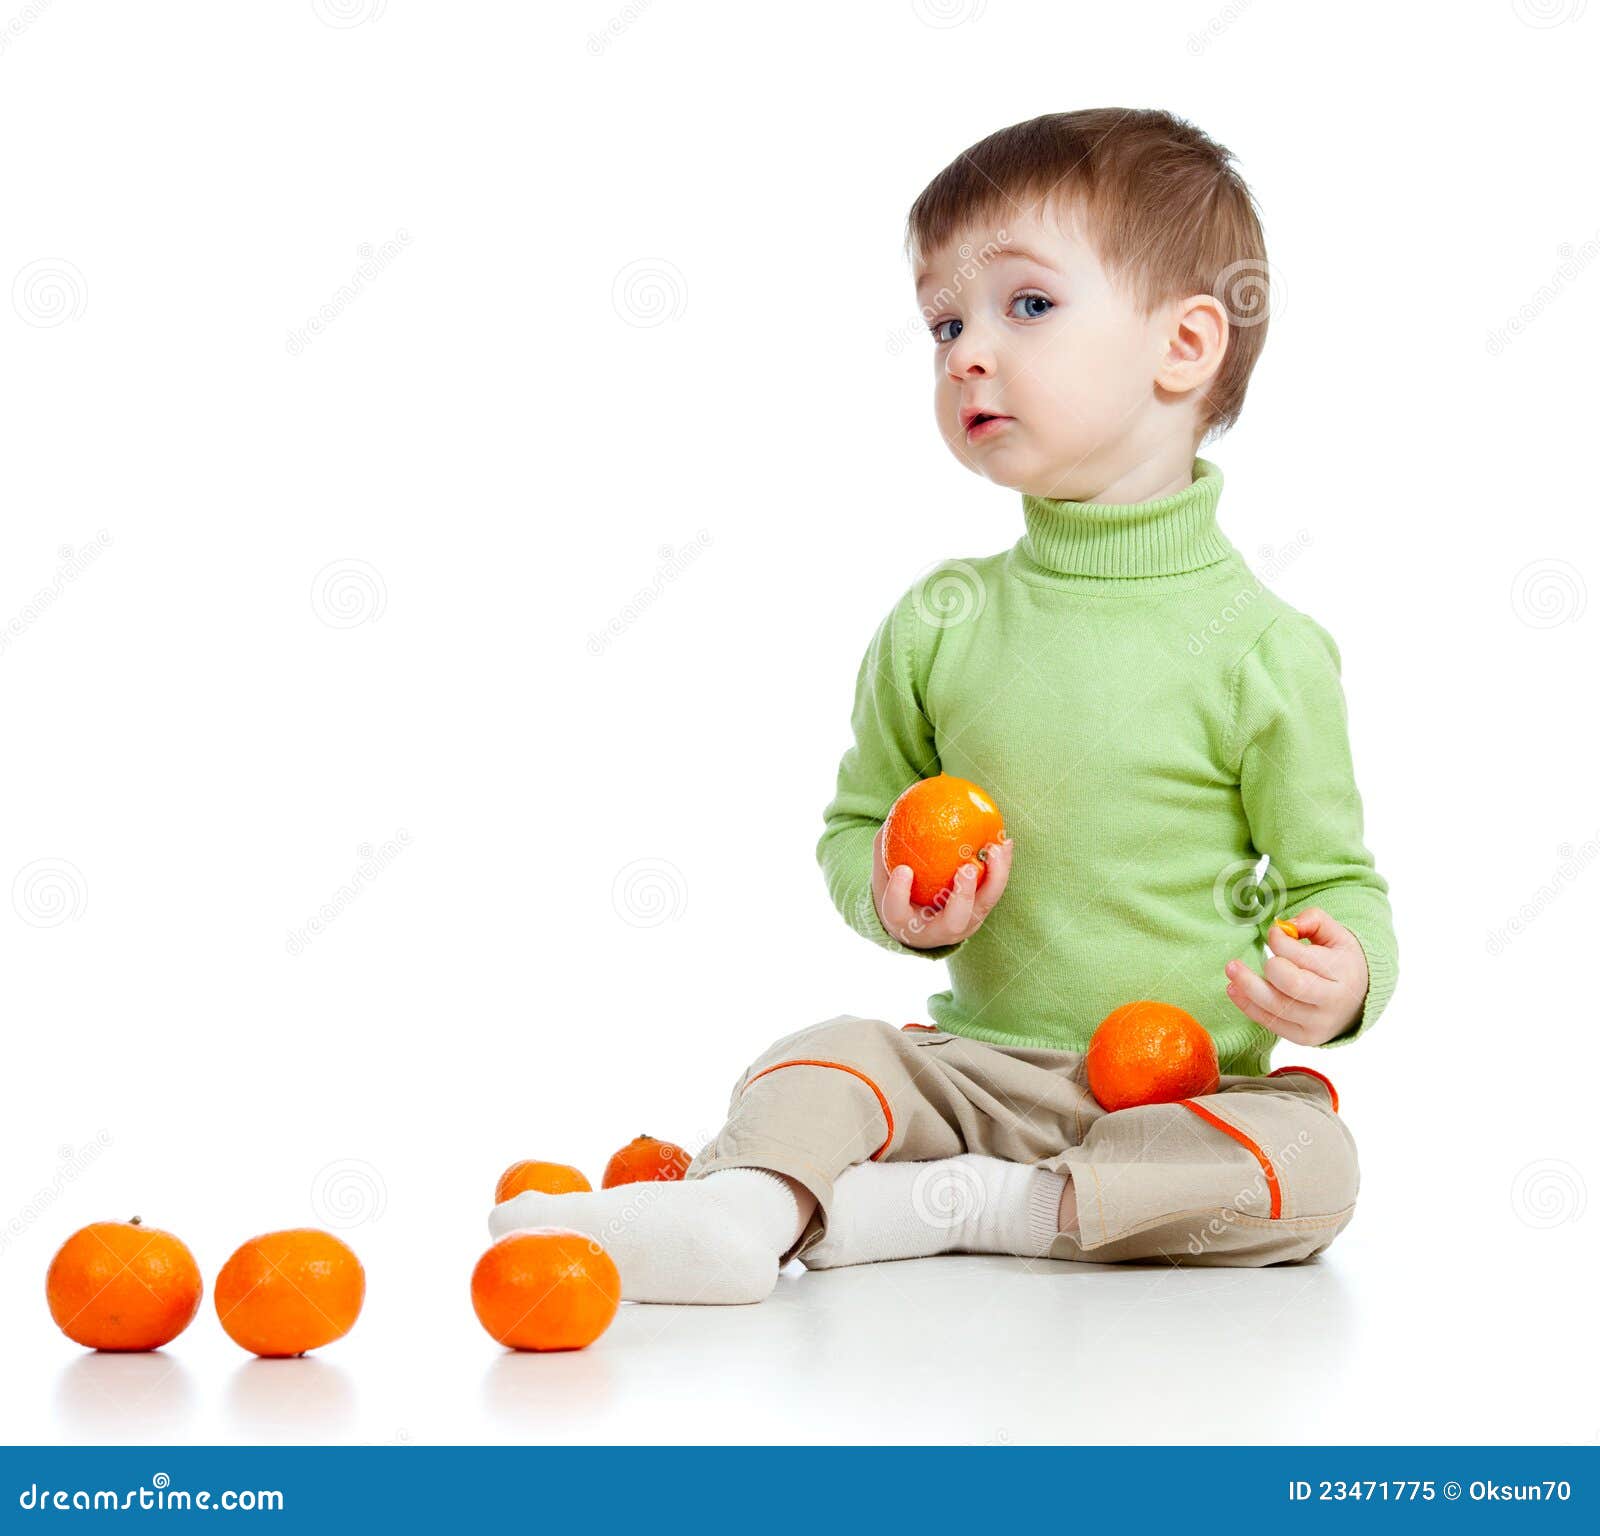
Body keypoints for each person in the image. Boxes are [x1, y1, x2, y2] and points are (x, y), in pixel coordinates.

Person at [490, 108, 1398, 1302]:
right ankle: (739, 1210)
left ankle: (961, 1208)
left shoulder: (1265, 652)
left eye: (1025, 306)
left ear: (1183, 346)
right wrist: (894, 902)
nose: (966, 351)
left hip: (1183, 1099)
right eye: (943, 322)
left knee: (1310, 1167)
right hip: (969, 1075)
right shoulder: (941, 625)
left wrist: (1342, 982)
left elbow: (1337, 885)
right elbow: (857, 825)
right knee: (819, 1059)